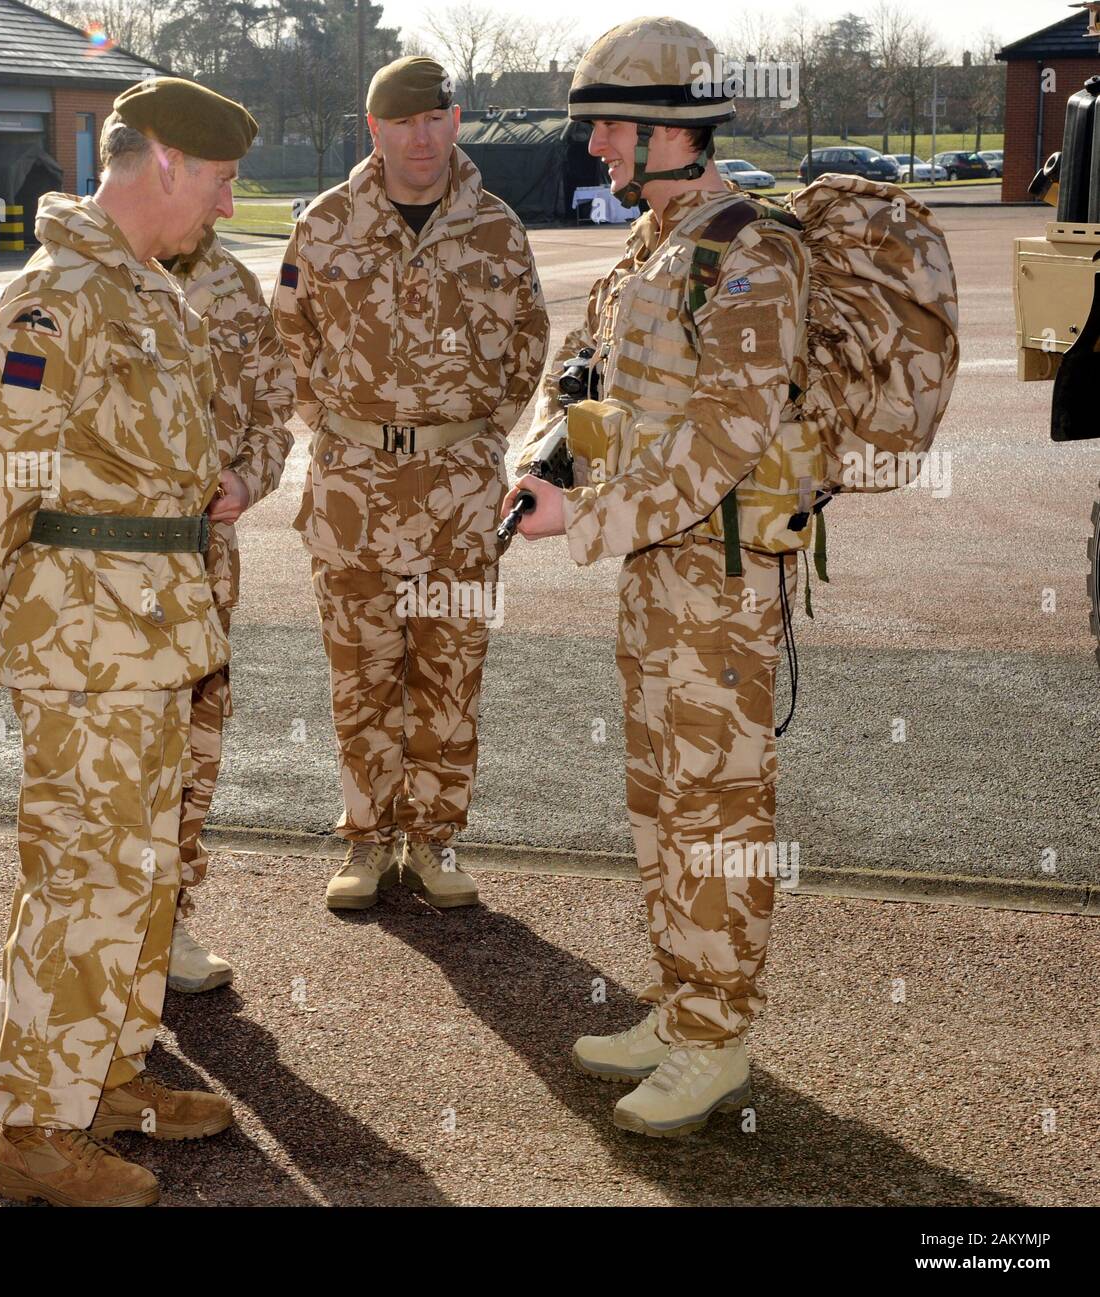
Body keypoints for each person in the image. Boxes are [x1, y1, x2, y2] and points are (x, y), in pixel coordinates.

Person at [0, 76, 256, 1206]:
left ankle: (107, 1078)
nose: (224, 204)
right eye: (217, 180)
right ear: (163, 161)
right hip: (86, 639)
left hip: (151, 634)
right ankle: (36, 1130)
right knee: (82, 878)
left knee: (141, 869)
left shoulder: (148, 290)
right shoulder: (60, 292)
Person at [504, 17, 810, 1138]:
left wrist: (587, 514)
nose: (594, 152)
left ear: (662, 130)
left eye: (606, 132)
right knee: (659, 802)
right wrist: (540, 456)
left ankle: (718, 1037)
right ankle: (682, 1007)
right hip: (653, 572)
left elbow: (724, 437)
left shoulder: (752, 251)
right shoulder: (653, 244)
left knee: (717, 810)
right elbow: (584, 376)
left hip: (719, 588)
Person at [273, 56, 548, 911]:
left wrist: (472, 438)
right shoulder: (324, 226)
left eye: (434, 121)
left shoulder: (497, 228)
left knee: (450, 674)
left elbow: (531, 346)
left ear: (456, 122)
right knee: (361, 674)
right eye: (402, 123)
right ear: (375, 131)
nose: (420, 138)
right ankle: (365, 840)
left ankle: (433, 841)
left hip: (461, 495)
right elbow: (288, 344)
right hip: (353, 491)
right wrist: (349, 433)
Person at [163, 222, 295, 992]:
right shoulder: (79, 280)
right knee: (110, 761)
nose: (229, 198)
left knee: (193, 747)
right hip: (106, 572)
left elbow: (275, 407)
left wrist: (249, 480)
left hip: (206, 559)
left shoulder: (232, 284)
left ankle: (168, 918)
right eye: (217, 177)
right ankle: (108, 938)